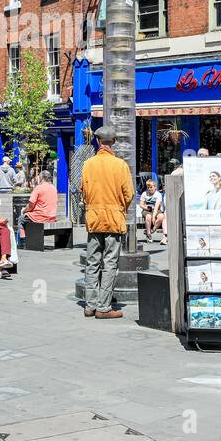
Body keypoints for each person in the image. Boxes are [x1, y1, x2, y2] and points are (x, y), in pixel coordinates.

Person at [81, 125, 134, 319]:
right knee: (110, 263)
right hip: (113, 218)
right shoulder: (120, 165)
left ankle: (90, 305)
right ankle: (103, 307)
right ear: (113, 142)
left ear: (97, 141)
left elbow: (83, 190)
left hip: (94, 218)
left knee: (92, 262)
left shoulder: (88, 164)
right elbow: (129, 194)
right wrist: (119, 207)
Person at [21, 169, 59, 241]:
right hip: (52, 217)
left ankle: (23, 241)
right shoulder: (54, 188)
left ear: (42, 178)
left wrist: (24, 210)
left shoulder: (39, 188)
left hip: (40, 217)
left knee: (21, 219)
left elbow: (31, 205)